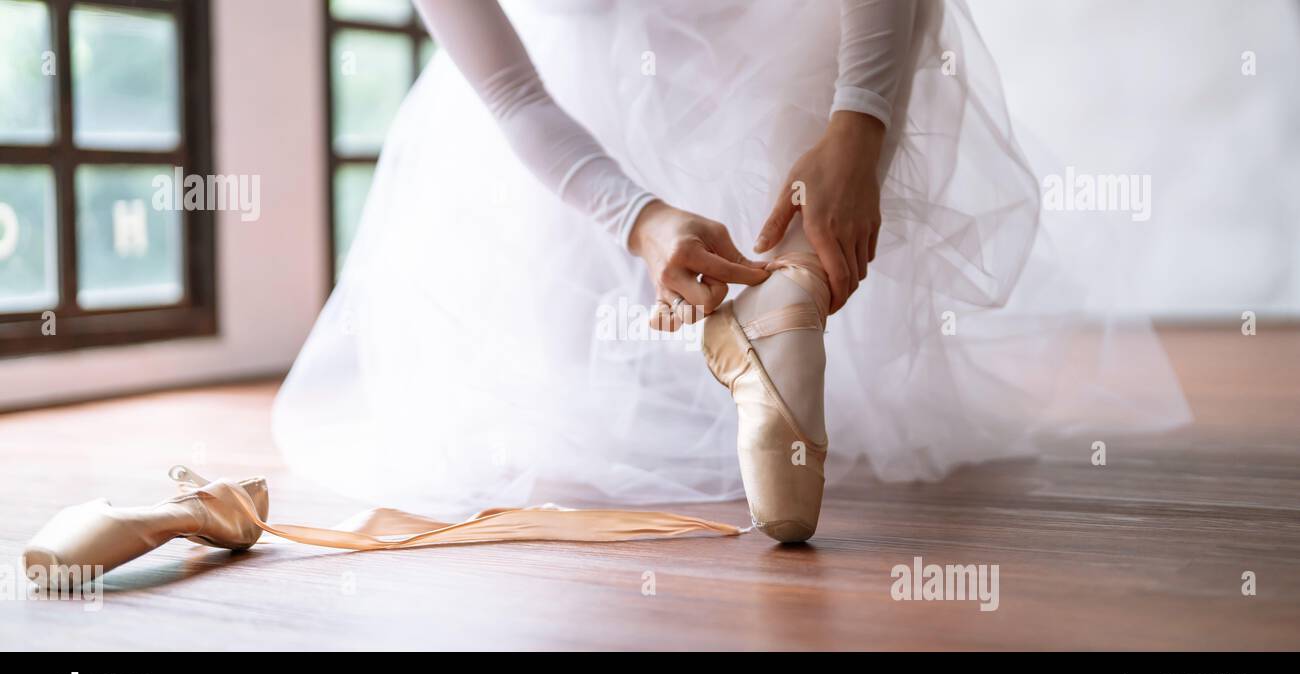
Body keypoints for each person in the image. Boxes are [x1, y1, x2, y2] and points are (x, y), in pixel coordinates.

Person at [273, 0, 1188, 537]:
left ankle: (792, 293)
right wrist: (639, 217)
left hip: (782, 38)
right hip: (588, 103)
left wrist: (860, 129)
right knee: (580, 416)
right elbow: (513, 96)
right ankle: (760, 322)